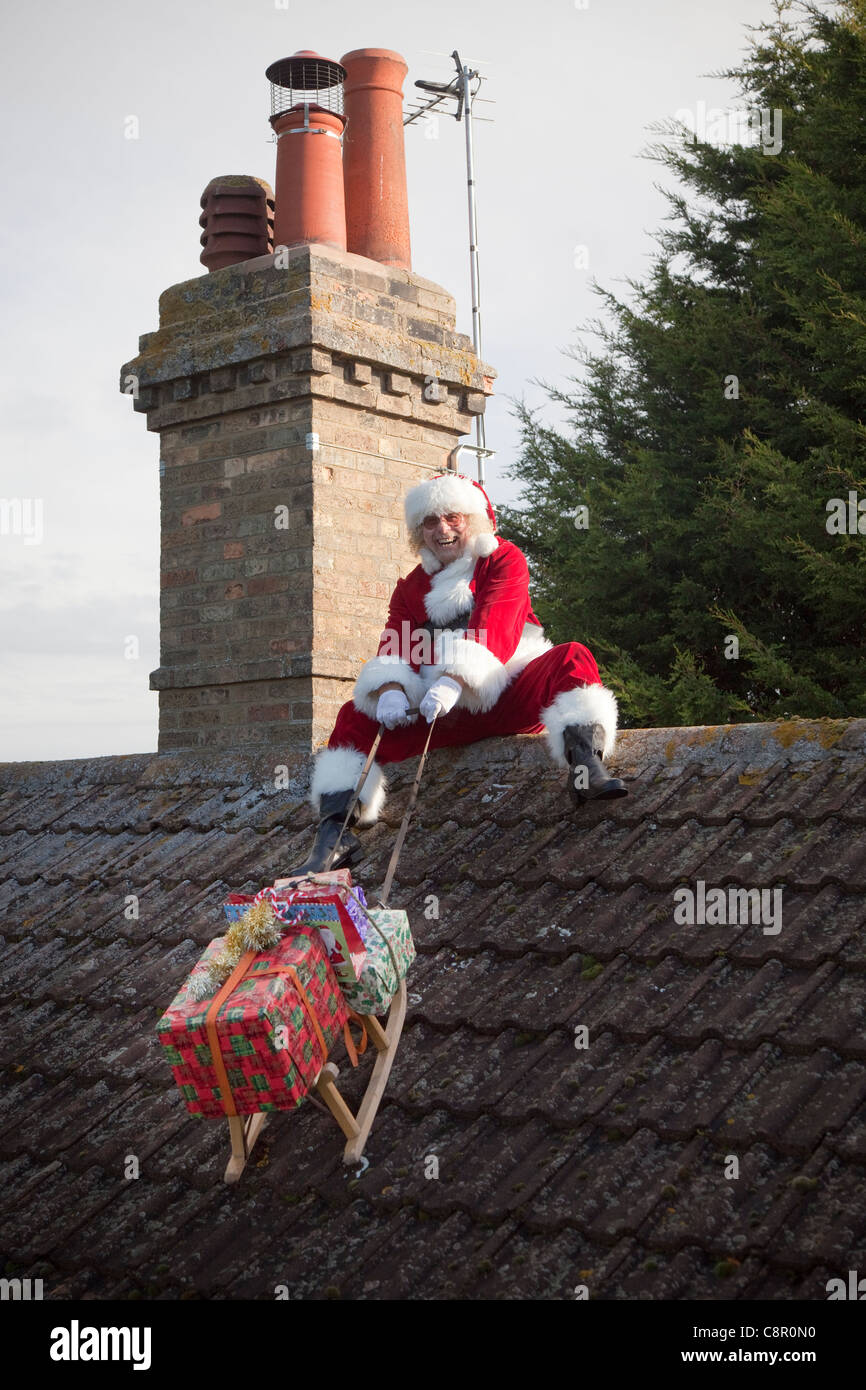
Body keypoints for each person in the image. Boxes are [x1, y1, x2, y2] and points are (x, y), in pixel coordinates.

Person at [290, 472, 627, 874]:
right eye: (430, 521)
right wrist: (394, 689)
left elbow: (497, 622)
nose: (442, 529)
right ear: (419, 531)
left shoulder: (503, 559)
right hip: (442, 713)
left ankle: (585, 765)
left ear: (474, 517)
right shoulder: (409, 589)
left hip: (506, 692)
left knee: (573, 657)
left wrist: (455, 679)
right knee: (352, 718)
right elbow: (396, 644)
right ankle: (333, 837)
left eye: (453, 517)